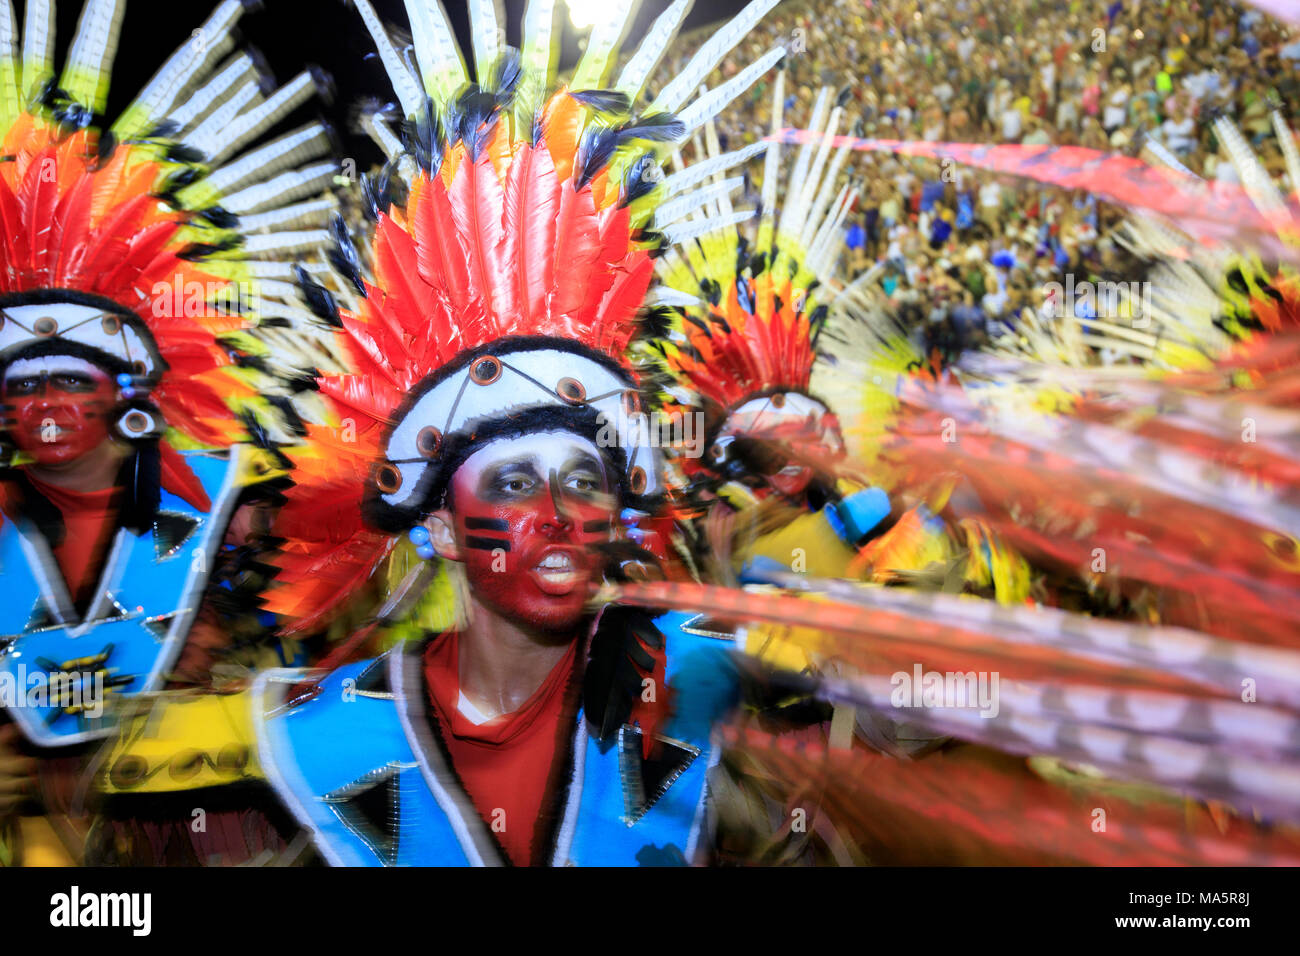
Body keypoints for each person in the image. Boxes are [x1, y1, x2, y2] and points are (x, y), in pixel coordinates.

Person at [94, 0, 787, 868]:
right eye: (509, 482)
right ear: (439, 528)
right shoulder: (298, 752)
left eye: (584, 480)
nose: (558, 513)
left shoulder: (695, 694)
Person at [0, 0, 332, 865]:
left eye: (72, 378)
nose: (44, 405)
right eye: (21, 384)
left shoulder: (234, 499)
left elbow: (306, 680)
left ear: (127, 390)